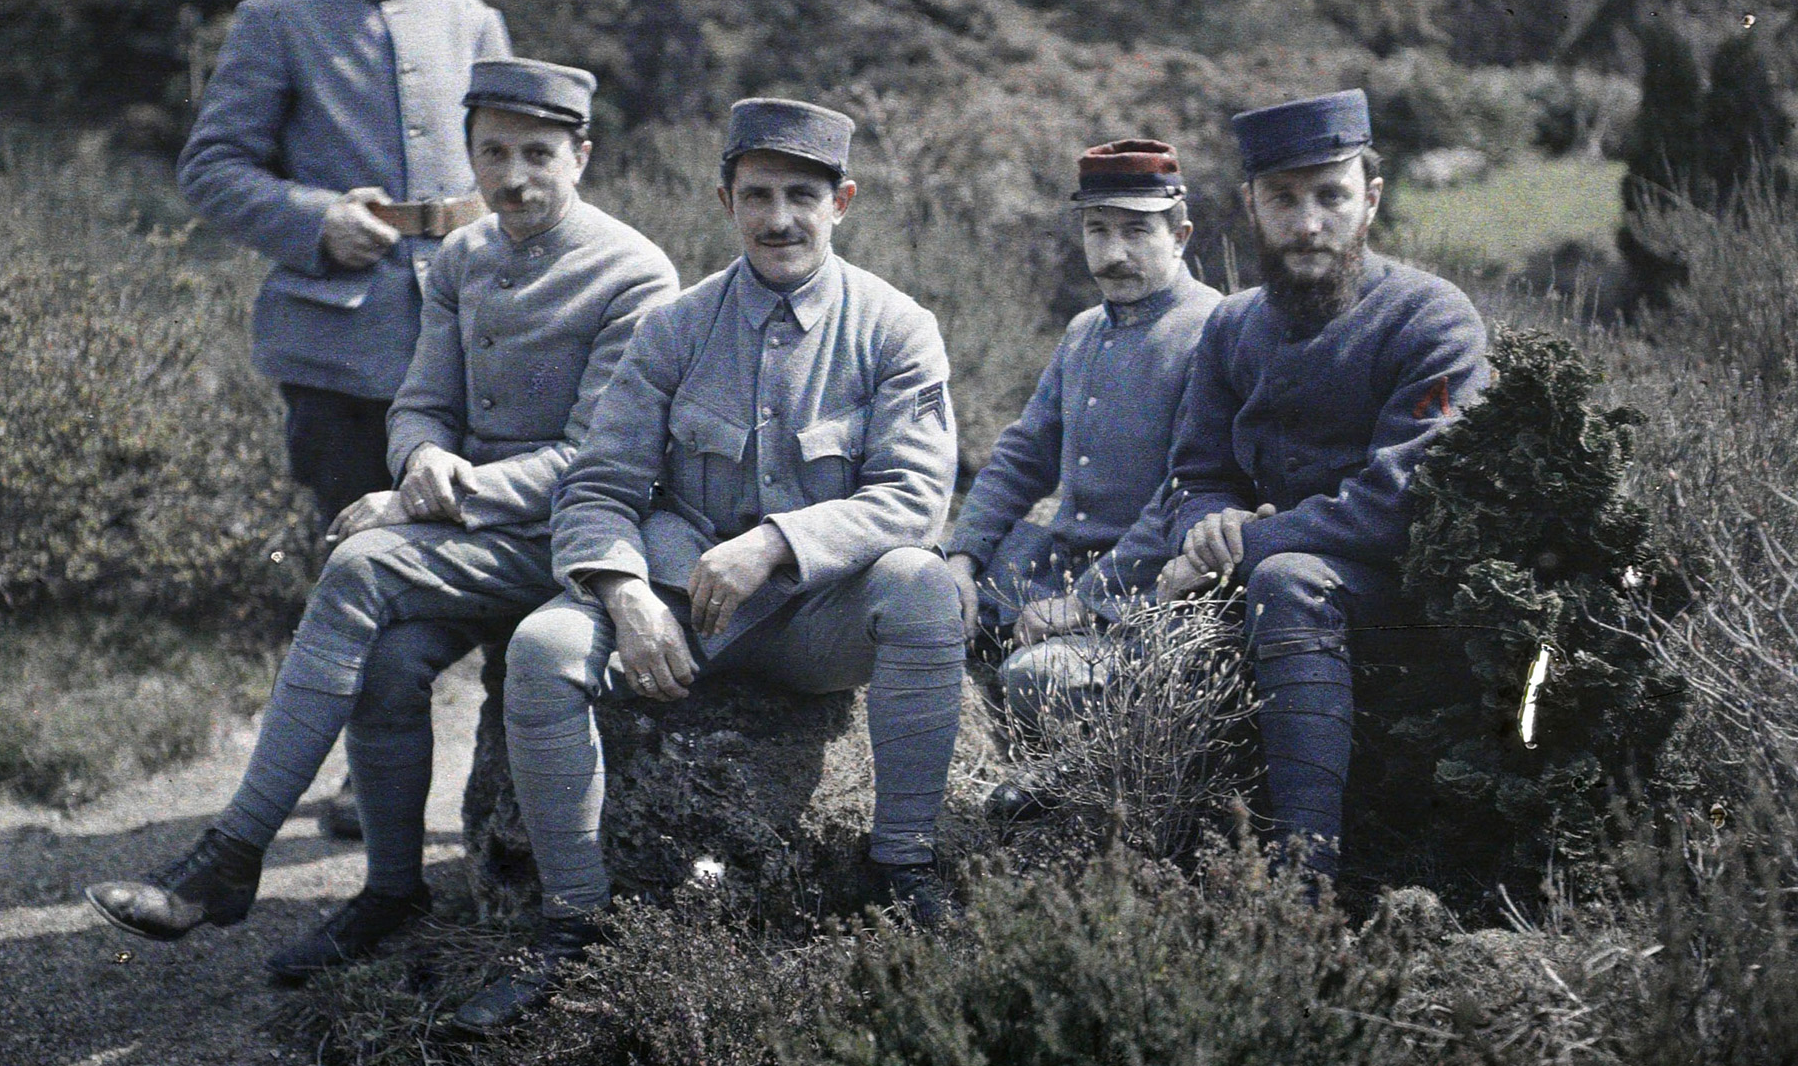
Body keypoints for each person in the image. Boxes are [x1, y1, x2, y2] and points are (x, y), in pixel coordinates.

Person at [85, 59, 680, 980]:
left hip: (567, 542)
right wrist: (420, 455)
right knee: (387, 669)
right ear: (470, 156)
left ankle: (231, 855)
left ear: (583, 155)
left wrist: (424, 496)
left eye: (538, 153)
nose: (513, 177)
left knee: (363, 565)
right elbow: (419, 403)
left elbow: (592, 462)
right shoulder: (463, 256)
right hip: (466, 537)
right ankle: (392, 892)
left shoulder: (635, 273)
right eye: (492, 153)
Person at [451, 99, 964, 1031]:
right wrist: (629, 596)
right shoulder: (675, 328)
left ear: (841, 202)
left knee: (923, 585)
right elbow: (597, 488)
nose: (779, 220)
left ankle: (904, 865)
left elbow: (915, 499)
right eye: (757, 195)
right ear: (725, 200)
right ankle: (573, 923)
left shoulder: (896, 327)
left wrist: (775, 540)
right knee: (542, 645)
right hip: (685, 617)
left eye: (802, 197)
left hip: (818, 624)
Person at [178, 0, 512, 839]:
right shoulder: (278, 19)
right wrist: (313, 221)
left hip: (469, 339)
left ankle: (503, 782)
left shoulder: (471, 21)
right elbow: (213, 171)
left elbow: (519, 164)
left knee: (482, 552)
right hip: (343, 346)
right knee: (360, 555)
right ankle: (373, 779)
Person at [1147, 88, 1488, 880]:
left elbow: (1403, 502)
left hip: (1408, 603)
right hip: (1265, 584)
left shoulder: (1431, 319)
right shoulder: (1231, 326)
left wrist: (1250, 541)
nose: (1307, 224)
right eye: (1283, 199)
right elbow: (1197, 473)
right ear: (1250, 206)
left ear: (1370, 197)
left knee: (1288, 578)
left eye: (1330, 197)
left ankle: (1306, 877)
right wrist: (1205, 527)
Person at [942, 141, 1218, 813]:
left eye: (1136, 230)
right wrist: (961, 555)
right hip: (1057, 565)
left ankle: (1081, 778)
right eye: (1098, 230)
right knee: (923, 594)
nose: (1114, 252)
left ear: (1180, 234)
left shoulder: (1214, 328)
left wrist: (1086, 603)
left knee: (1034, 674)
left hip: (1153, 589)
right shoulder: (1084, 331)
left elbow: (1189, 486)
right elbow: (1023, 456)